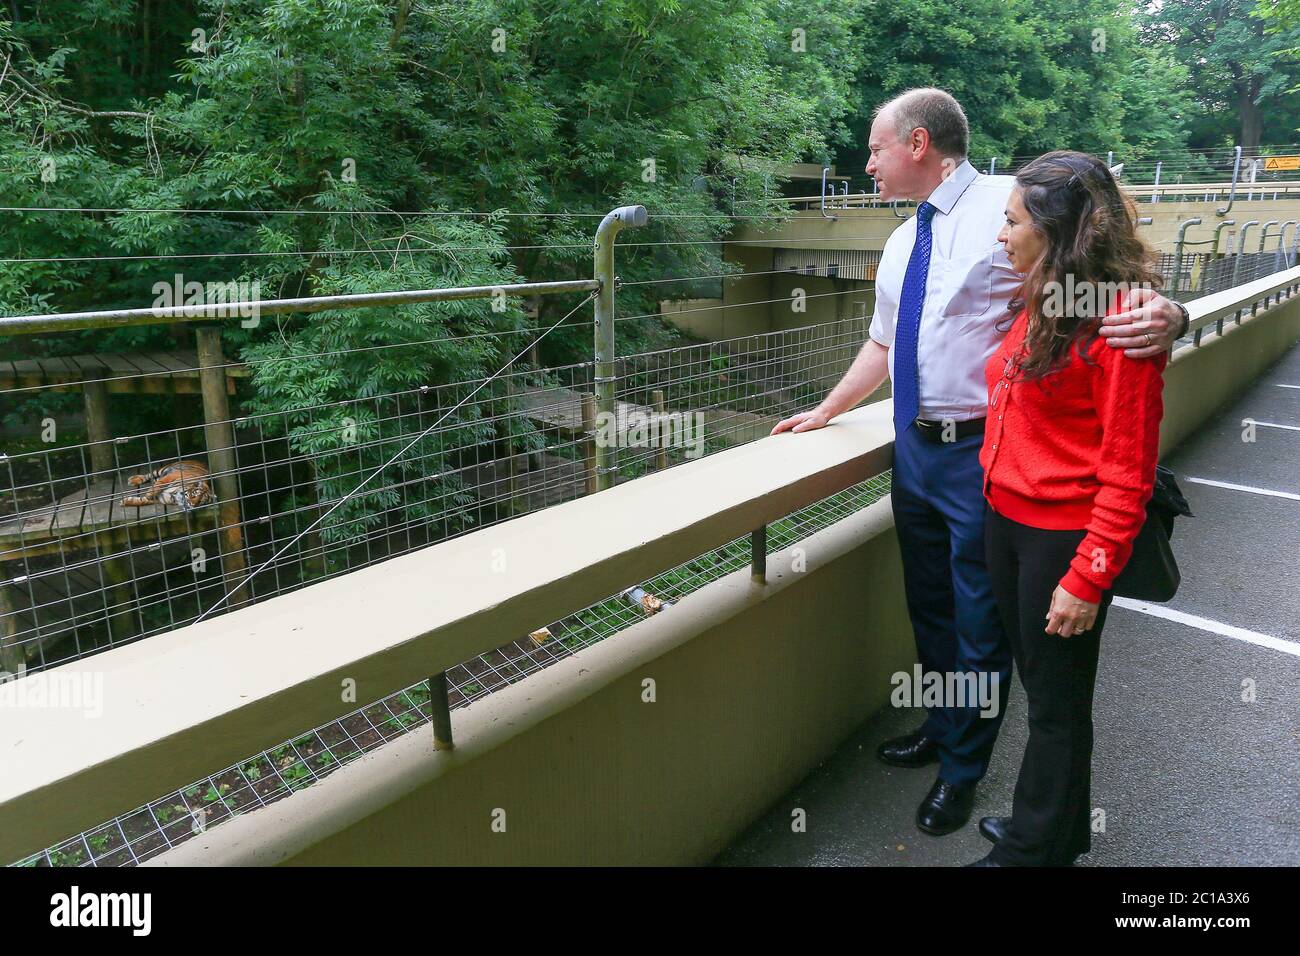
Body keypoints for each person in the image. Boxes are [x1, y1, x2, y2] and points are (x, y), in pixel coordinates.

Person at [770, 88, 1188, 836]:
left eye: (875, 149)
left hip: (985, 456)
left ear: (919, 144)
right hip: (917, 450)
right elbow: (884, 343)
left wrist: (1169, 311)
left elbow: (1101, 263)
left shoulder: (1012, 203)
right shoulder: (902, 243)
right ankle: (941, 726)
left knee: (979, 622)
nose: (866, 165)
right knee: (930, 606)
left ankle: (964, 769)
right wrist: (829, 411)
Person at [968, 151, 1166, 866]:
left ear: (1057, 229)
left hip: (1062, 540)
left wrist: (1088, 577)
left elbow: (1129, 470)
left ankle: (1032, 851)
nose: (1002, 235)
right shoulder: (1048, 297)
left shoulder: (1122, 324)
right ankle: (1054, 829)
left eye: (1013, 221)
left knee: (1053, 704)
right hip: (1008, 524)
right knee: (1044, 689)